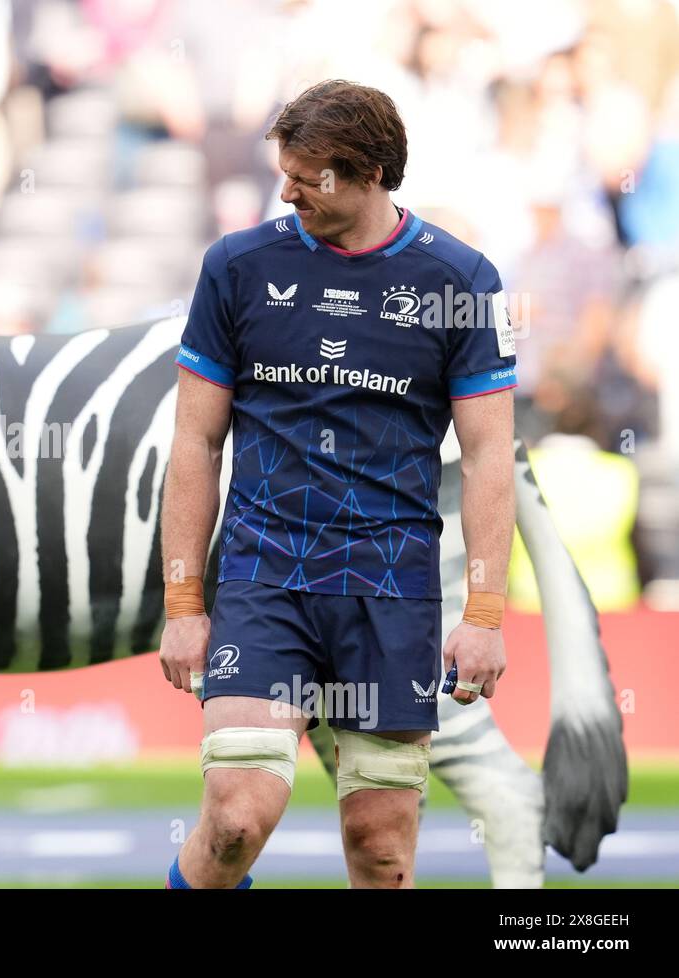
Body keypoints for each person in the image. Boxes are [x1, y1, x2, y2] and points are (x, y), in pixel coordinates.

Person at [159, 80, 517, 889]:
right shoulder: (237, 267)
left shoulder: (463, 280)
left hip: (391, 592)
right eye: (283, 171)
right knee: (234, 820)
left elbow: (492, 453)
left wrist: (485, 613)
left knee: (381, 849)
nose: (286, 189)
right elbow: (195, 439)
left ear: (368, 175)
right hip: (265, 578)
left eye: (307, 176)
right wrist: (184, 604)